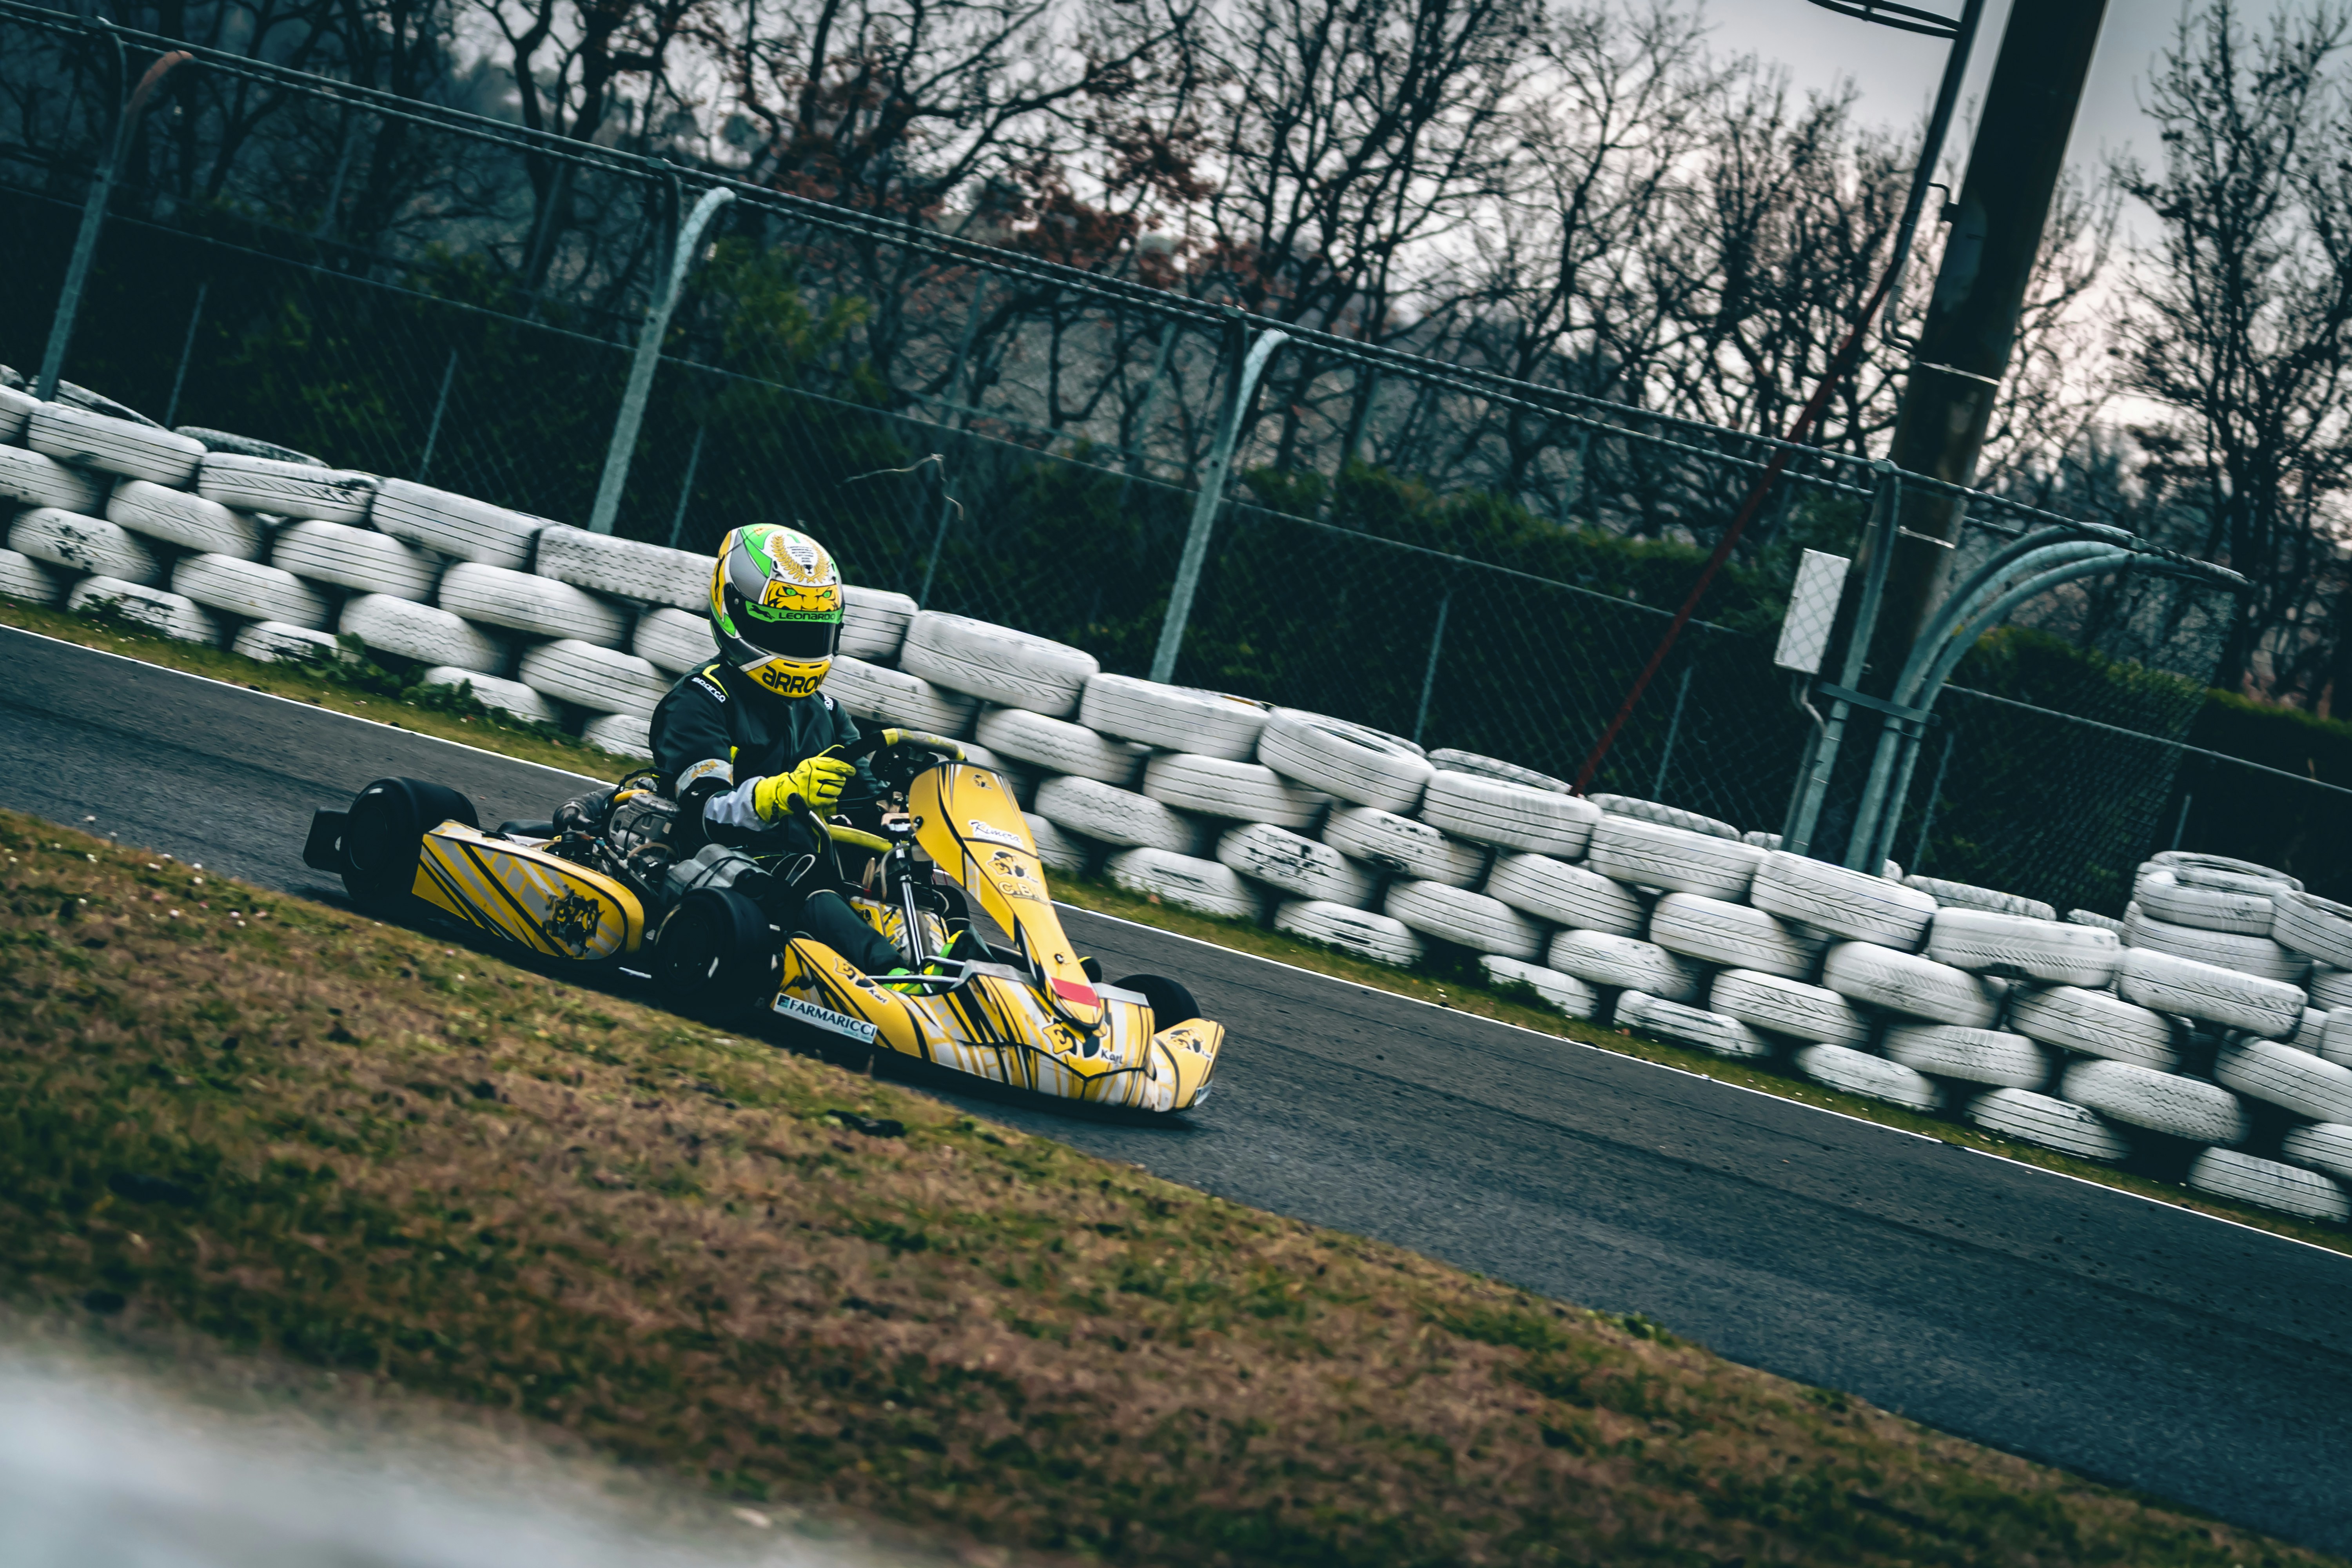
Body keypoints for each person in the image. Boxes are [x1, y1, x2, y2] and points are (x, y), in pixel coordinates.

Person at [648, 523, 911, 979]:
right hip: (716, 863)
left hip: (808, 862)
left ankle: (975, 971)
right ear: (734, 611)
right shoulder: (701, 699)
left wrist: (904, 819)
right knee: (805, 886)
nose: (801, 651)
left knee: (923, 890)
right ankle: (893, 979)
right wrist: (779, 794)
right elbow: (701, 812)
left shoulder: (826, 712)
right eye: (785, 633)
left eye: (813, 637)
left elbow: (869, 808)